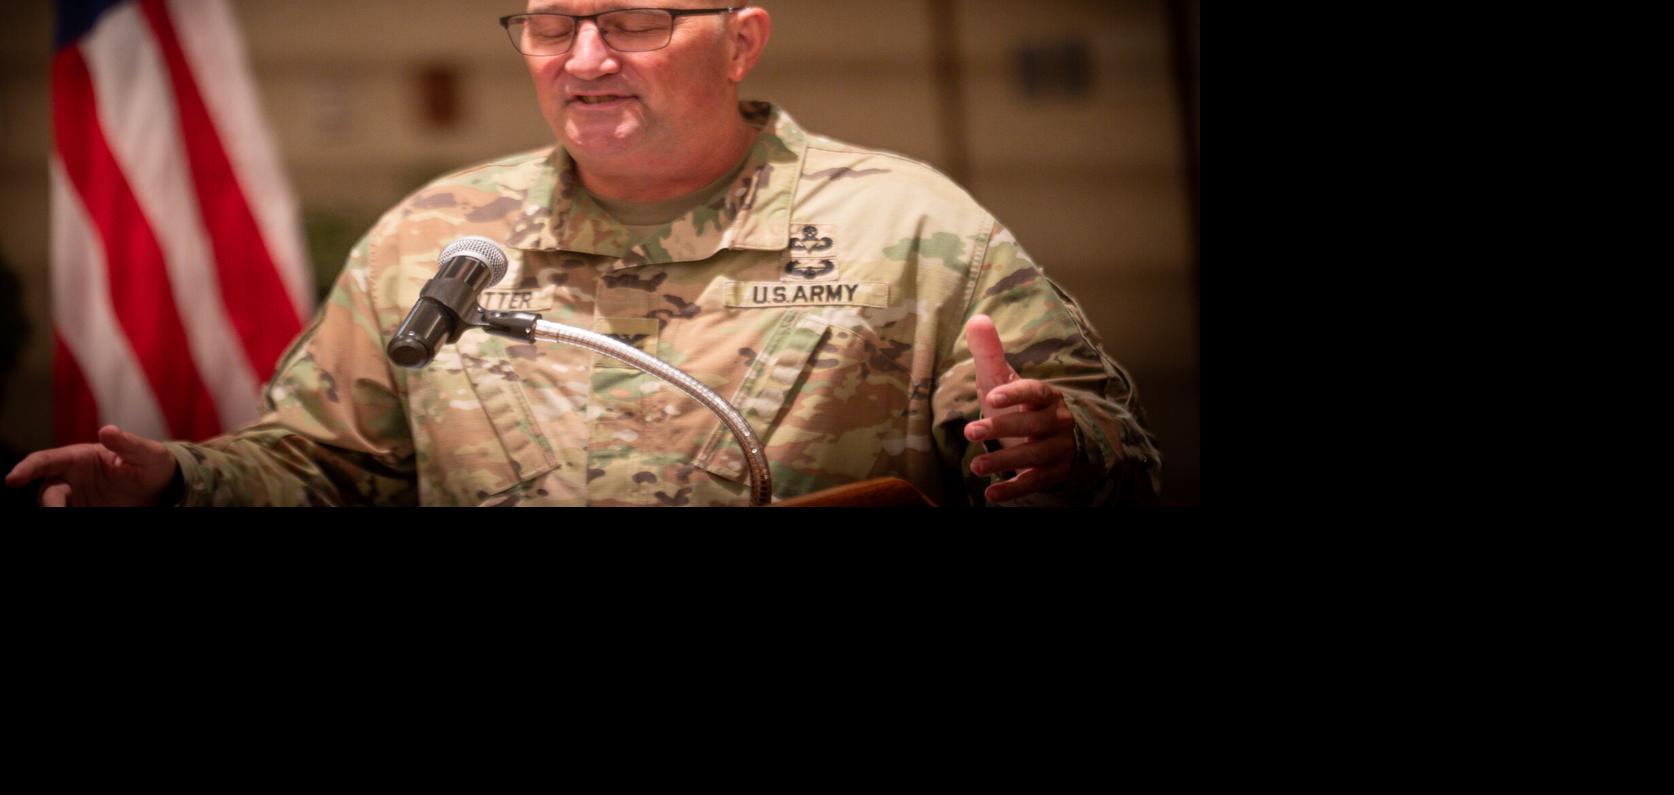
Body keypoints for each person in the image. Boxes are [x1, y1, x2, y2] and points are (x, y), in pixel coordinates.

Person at [8, 2, 1160, 507]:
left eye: (636, 22)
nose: (585, 59)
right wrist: (180, 483)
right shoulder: (432, 237)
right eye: (552, 25)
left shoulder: (909, 226)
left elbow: (1109, 449)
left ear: (741, 41)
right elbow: (328, 469)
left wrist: (1061, 449)